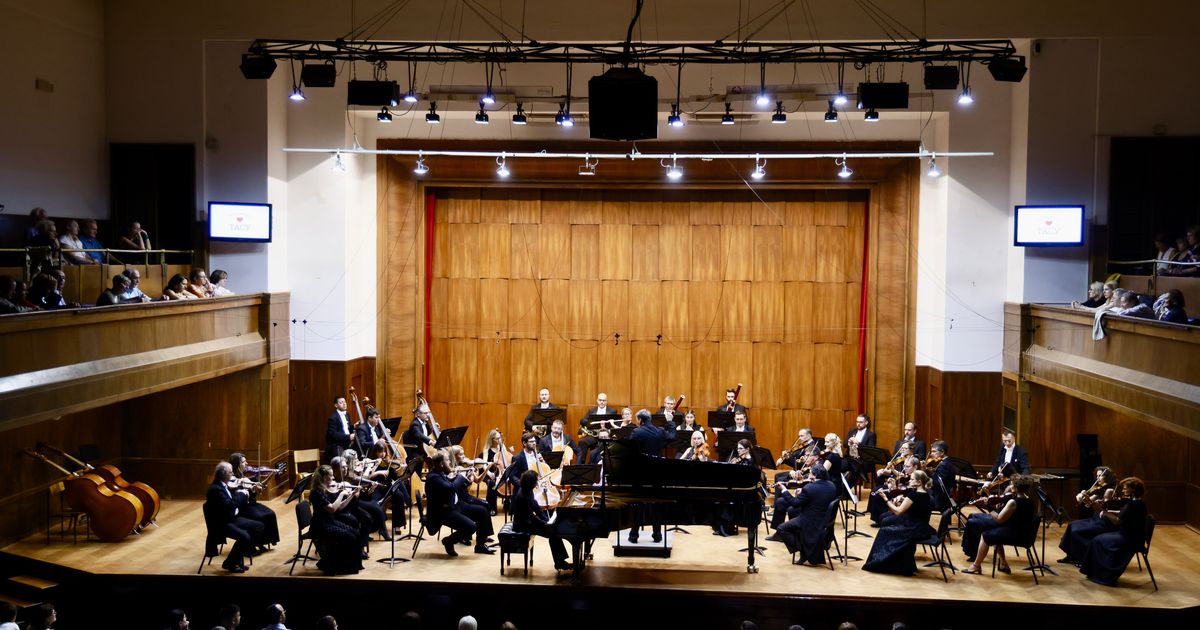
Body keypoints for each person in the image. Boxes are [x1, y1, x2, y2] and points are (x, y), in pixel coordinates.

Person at [862, 470, 937, 575]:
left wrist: (885, 498)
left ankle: (882, 563)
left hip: (913, 529)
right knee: (889, 526)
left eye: (911, 479)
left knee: (884, 531)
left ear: (919, 482)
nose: (909, 481)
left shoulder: (913, 495)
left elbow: (898, 511)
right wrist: (903, 499)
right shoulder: (926, 494)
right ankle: (902, 564)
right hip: (923, 527)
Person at [961, 474, 1038, 575]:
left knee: (986, 535)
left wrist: (988, 507)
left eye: (1011, 484)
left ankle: (976, 565)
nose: (1010, 486)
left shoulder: (1013, 502)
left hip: (1015, 534)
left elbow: (998, 519)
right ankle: (1003, 563)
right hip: (1024, 533)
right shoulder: (1030, 501)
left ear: (1014, 488)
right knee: (995, 530)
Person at [1079, 476, 1149, 586]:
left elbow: (1117, 521)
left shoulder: (1133, 505)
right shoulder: (1137, 503)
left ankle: (1104, 575)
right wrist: (1108, 511)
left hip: (1129, 538)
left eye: (1126, 488)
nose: (1123, 490)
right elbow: (1124, 515)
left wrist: (1106, 513)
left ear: (1133, 490)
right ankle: (1097, 572)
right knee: (1098, 539)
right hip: (1130, 535)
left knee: (1097, 541)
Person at [425, 450, 495, 555]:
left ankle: (480, 546)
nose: (450, 463)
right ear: (441, 464)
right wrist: (460, 476)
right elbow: (451, 488)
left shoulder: (441, 473)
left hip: (455, 505)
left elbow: (452, 484)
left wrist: (464, 477)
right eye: (448, 460)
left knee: (482, 511)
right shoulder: (433, 477)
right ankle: (449, 541)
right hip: (443, 512)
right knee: (471, 527)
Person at [626, 409, 676, 543]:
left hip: (640, 475)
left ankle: (634, 535)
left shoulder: (637, 432)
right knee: (656, 504)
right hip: (657, 474)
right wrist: (670, 421)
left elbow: (630, 451)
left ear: (641, 420)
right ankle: (657, 535)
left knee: (637, 504)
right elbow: (672, 436)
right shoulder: (659, 431)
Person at [203, 461, 263, 573]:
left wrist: (249, 489)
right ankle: (231, 562)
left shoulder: (225, 485)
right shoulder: (215, 489)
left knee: (258, 526)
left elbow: (233, 498)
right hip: (222, 523)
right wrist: (242, 494)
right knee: (244, 537)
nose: (232, 475)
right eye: (230, 473)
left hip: (232, 519)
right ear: (224, 474)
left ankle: (235, 559)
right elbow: (230, 505)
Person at [774, 465, 838, 564]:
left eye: (811, 473)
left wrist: (784, 489)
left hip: (810, 520)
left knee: (781, 528)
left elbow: (794, 503)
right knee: (793, 512)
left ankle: (804, 551)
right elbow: (817, 497)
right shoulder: (832, 485)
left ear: (814, 475)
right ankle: (805, 548)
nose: (809, 475)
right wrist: (803, 493)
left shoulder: (809, 488)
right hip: (825, 520)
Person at [308, 464, 365, 575]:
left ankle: (354, 565)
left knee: (355, 533)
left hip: (330, 522)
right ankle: (342, 566)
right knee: (349, 537)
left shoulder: (324, 490)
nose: (333, 478)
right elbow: (332, 509)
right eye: (331, 476)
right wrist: (341, 494)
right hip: (321, 526)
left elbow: (339, 507)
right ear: (324, 477)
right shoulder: (317, 492)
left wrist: (351, 495)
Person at [1058, 466, 1120, 564]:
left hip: (1104, 522)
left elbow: (1103, 510)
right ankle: (1071, 555)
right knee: (1071, 525)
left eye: (1101, 476)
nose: (1098, 478)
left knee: (1077, 531)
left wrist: (1090, 502)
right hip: (1096, 519)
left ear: (1108, 477)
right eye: (1097, 476)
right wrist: (1081, 496)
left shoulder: (1110, 490)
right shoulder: (1100, 489)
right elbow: (1088, 503)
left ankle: (1082, 558)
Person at [512, 469, 571, 571]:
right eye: (535, 481)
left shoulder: (527, 490)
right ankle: (560, 563)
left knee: (553, 532)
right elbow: (531, 517)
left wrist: (546, 519)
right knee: (552, 533)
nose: (537, 483)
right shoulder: (522, 496)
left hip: (528, 521)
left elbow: (536, 507)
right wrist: (545, 524)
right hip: (522, 525)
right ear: (531, 483)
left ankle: (560, 562)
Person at [228, 452, 280, 550]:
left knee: (270, 514)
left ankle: (262, 542)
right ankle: (251, 546)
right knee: (260, 517)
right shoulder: (231, 479)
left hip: (251, 504)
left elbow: (257, 489)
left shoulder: (244, 477)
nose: (247, 464)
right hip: (242, 507)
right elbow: (239, 496)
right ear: (237, 465)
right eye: (244, 462)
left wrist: (268, 478)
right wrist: (250, 489)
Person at [332, 453, 390, 541]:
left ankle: (375, 532)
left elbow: (361, 495)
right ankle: (363, 539)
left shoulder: (350, 476)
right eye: (342, 467)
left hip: (354, 502)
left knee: (377, 508)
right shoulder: (332, 482)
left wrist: (369, 491)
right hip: (346, 506)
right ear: (335, 469)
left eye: (346, 467)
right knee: (368, 516)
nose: (345, 469)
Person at [579, 392, 618, 461]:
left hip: (606, 436)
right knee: (582, 442)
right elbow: (582, 420)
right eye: (600, 400)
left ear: (606, 401)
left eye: (604, 400)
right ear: (597, 400)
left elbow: (617, 424)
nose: (602, 402)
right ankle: (581, 465)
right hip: (594, 436)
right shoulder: (592, 410)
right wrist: (591, 423)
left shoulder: (612, 411)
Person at [844, 413, 877, 485]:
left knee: (854, 468)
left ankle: (844, 494)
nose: (858, 424)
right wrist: (849, 443)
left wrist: (858, 443)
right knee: (840, 466)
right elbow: (845, 444)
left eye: (861, 422)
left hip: (863, 460)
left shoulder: (871, 435)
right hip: (850, 458)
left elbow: (870, 450)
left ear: (866, 423)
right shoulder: (852, 431)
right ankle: (839, 490)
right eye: (857, 422)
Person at [926, 440, 956, 512]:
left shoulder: (944, 465)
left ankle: (921, 522)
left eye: (934, 451)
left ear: (942, 452)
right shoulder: (945, 462)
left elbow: (937, 484)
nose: (931, 454)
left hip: (940, 499)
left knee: (917, 499)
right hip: (940, 496)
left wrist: (927, 474)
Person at [325, 395, 356, 462]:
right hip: (338, 447)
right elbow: (332, 434)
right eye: (341, 402)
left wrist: (354, 426)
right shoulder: (333, 418)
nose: (344, 404)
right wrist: (348, 437)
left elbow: (347, 429)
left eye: (345, 402)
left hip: (347, 444)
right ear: (336, 405)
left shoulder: (347, 414)